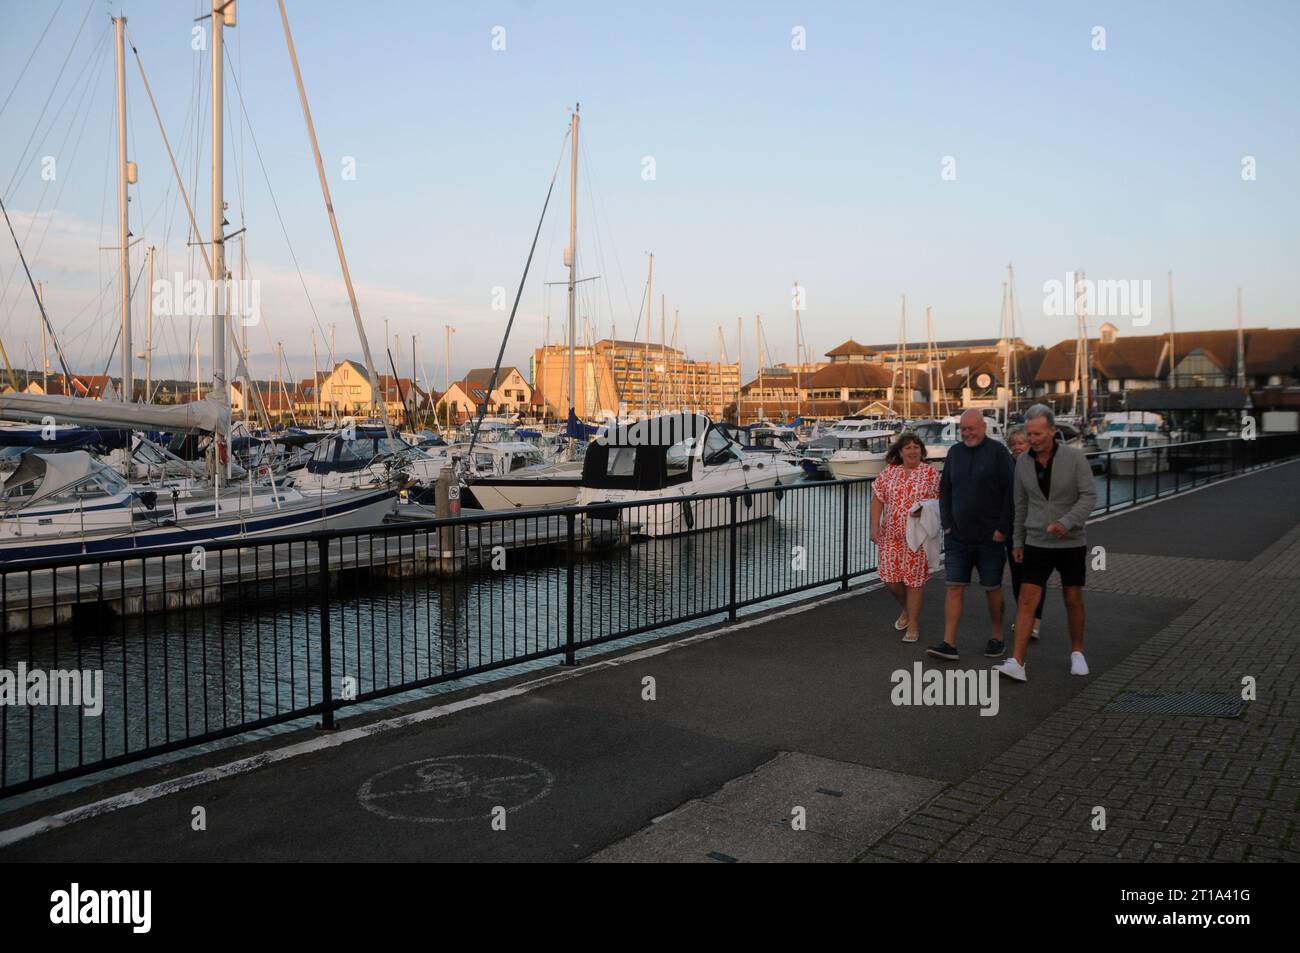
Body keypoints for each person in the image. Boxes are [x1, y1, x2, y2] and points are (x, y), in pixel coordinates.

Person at [995, 404, 1098, 682]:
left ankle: (1077, 652)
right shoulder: (1022, 463)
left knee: (1072, 598)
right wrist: (1018, 541)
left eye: (1039, 434)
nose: (1033, 439)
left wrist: (1066, 522)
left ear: (1053, 431)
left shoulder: (1075, 458)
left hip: (1071, 541)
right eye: (1030, 434)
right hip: (1036, 541)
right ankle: (1017, 661)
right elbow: (1021, 504)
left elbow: (1089, 497)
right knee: (1027, 597)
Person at [928, 409, 1015, 662]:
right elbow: (945, 490)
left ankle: (997, 637)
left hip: (991, 538)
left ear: (983, 427)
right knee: (954, 587)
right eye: (963, 429)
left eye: (971, 428)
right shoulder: (955, 453)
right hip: (957, 537)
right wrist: (947, 524)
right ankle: (949, 642)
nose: (966, 433)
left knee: (992, 588)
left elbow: (1011, 493)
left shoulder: (999, 453)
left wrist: (1003, 528)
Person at [870, 432, 941, 642]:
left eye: (916, 447)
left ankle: (914, 625)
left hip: (917, 538)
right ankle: (906, 608)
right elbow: (878, 499)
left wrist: (927, 509)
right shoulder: (889, 473)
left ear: (921, 451)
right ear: (900, 452)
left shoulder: (930, 474)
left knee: (915, 582)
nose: (912, 450)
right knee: (890, 579)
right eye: (908, 447)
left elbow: (941, 503)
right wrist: (874, 526)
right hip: (890, 535)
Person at [1004, 425, 1043, 640]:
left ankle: (1035, 621)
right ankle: (1022, 616)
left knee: (1036, 576)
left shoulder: (1039, 464)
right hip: (1013, 529)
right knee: (1018, 576)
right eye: (1014, 444)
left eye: (1021, 443)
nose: (1017, 447)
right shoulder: (1006, 465)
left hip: (1036, 528)